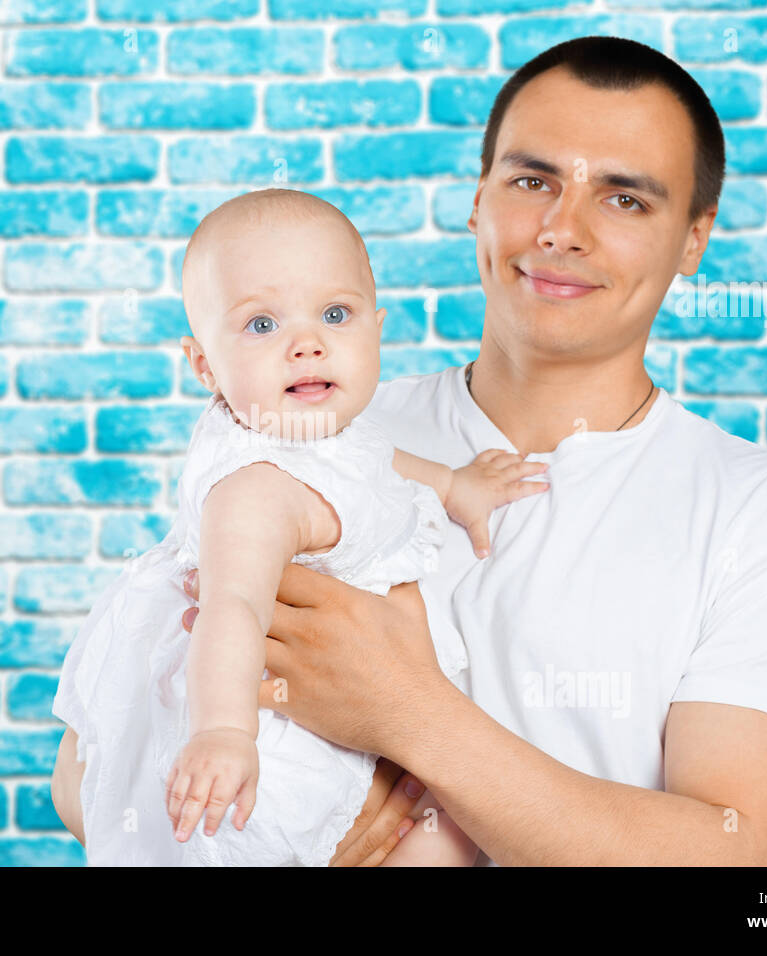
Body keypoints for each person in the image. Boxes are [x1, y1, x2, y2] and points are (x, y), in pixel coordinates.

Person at [55, 35, 767, 866]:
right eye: (531, 181)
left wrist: (410, 714)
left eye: (625, 199)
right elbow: (90, 777)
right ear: (478, 199)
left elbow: (750, 861)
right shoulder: (313, 439)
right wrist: (292, 833)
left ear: (695, 239)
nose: (561, 229)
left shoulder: (765, 514)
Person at [51, 187, 548, 865]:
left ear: (377, 328)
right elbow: (231, 608)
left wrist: (457, 485)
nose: (307, 344)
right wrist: (224, 733)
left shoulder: (327, 436)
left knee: (451, 819)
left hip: (349, 701)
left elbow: (375, 463)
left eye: (335, 315)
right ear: (203, 365)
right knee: (448, 829)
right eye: (262, 325)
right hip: (269, 732)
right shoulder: (256, 491)